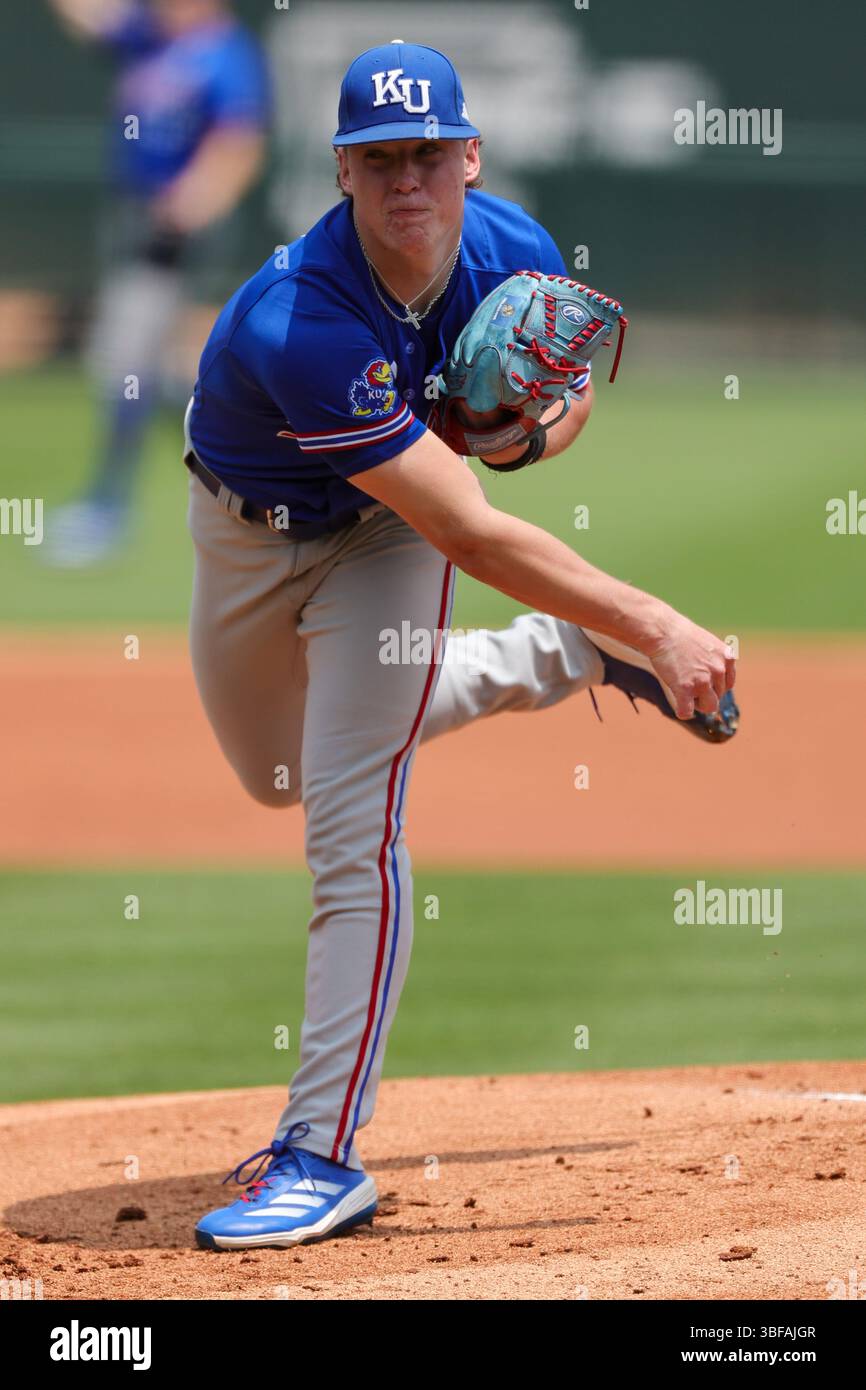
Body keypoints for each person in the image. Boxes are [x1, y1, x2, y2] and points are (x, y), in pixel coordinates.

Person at [183, 41, 738, 1251]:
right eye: (379, 160)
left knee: (348, 818)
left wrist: (526, 437)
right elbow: (471, 529)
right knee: (271, 770)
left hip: (383, 542)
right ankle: (570, 655)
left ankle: (320, 1152)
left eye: (428, 154)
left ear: (469, 156)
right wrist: (642, 620)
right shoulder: (299, 319)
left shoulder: (514, 248)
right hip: (246, 530)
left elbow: (562, 385)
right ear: (339, 171)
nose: (407, 183)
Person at [43, 0, 270, 567]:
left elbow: (238, 145)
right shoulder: (151, 37)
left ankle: (106, 509)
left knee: (126, 362)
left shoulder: (225, 54)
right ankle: (252, 485)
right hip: (134, 220)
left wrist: (190, 204)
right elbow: (86, 17)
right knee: (166, 375)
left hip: (175, 238)